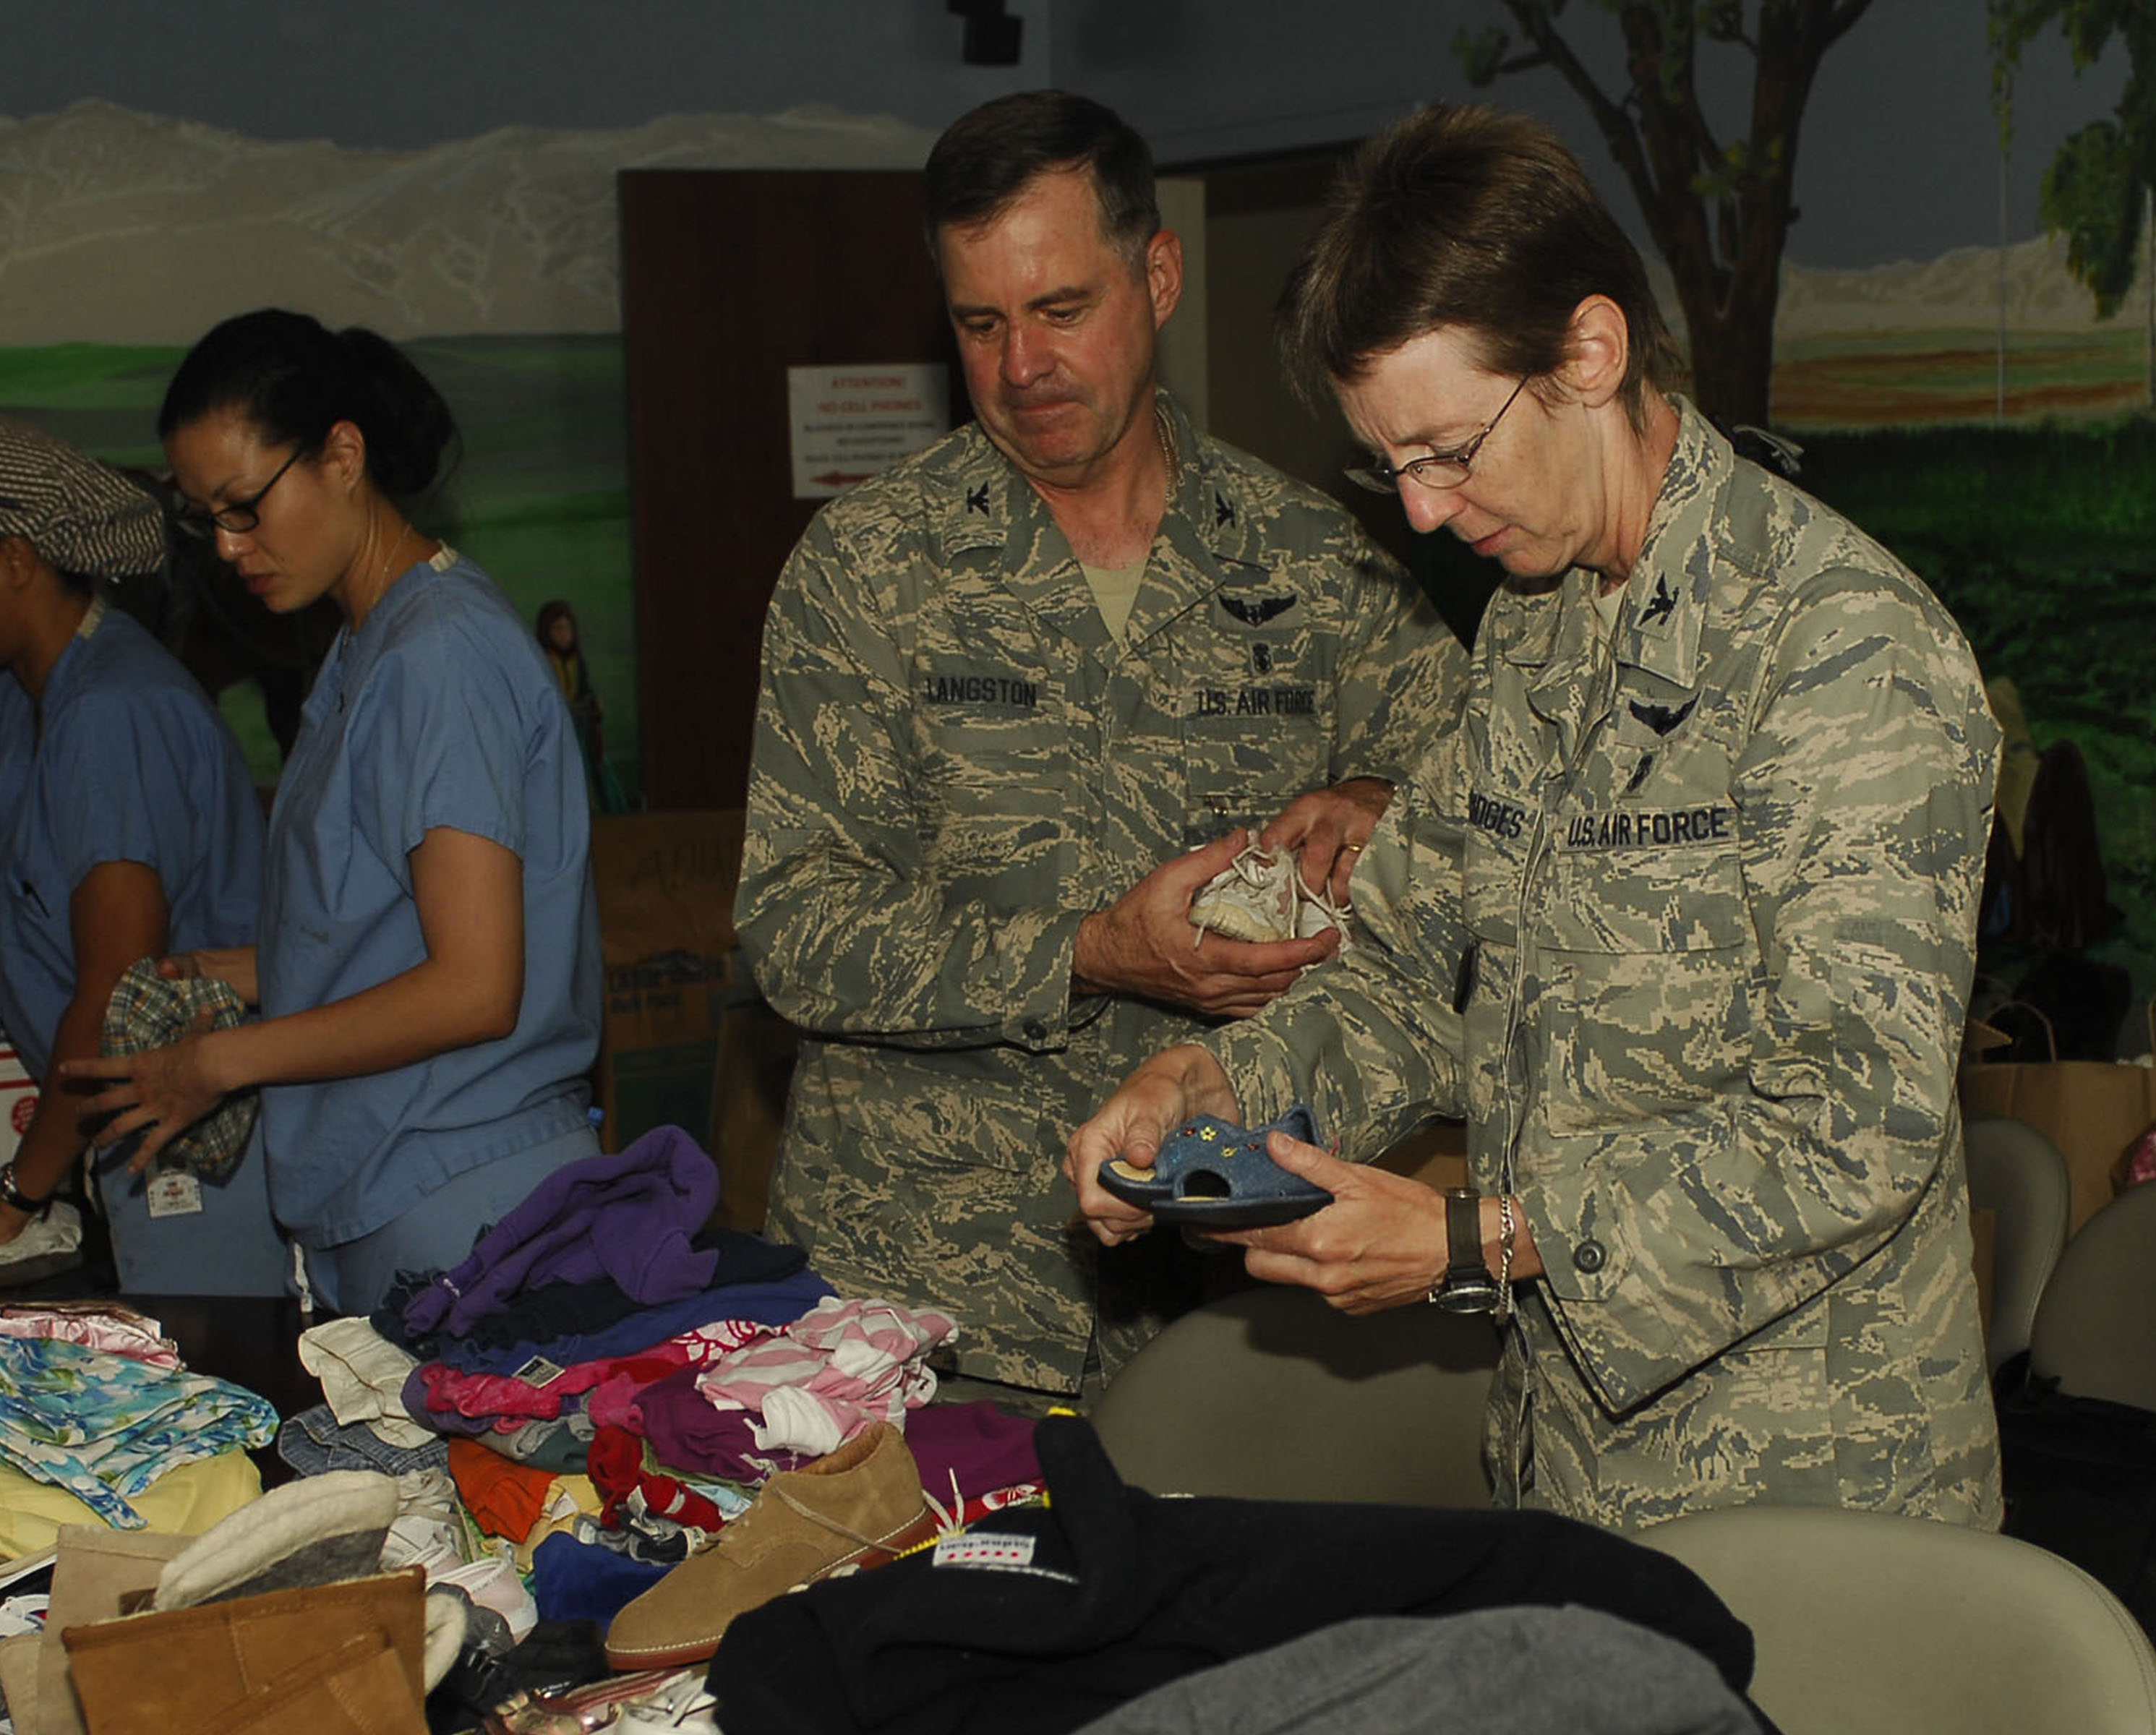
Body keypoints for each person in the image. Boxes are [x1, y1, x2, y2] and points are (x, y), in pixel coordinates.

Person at [1066, 105, 2003, 1530]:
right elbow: (1410, 975)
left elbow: (1854, 1125)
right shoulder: (1534, 634)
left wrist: (1479, 1240)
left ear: (1589, 354)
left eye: (1450, 450)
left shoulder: (1841, 649)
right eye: (1392, 469)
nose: (1427, 516)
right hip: (1563, 1464)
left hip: (1812, 1498)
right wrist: (1218, 1093)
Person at [733, 91, 1468, 1402]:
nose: (1024, 365)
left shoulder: (1317, 562)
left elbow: (1477, 806)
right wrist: (1085, 954)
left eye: (1063, 310)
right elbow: (792, 930)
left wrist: (1373, 794)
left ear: (1159, 274)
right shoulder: (867, 572)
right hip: (927, 1306)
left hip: (1235, 1303)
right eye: (980, 324)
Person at [66, 309, 604, 1315]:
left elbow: (476, 987)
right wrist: (251, 970)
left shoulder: (439, 656)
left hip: (459, 1195)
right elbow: (401, 930)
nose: (228, 548)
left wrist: (218, 1061)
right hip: (393, 1190)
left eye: (244, 508)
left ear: (342, 456)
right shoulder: (367, 645)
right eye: (204, 520)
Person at [0, 416, 287, 1293]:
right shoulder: (32, 700)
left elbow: (114, 986)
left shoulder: (111, 711)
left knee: (217, 1402)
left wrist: (18, 1191)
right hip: (134, 1151)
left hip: (197, 1161)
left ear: (15, 561)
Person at [536, 599, 623, 813]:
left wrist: (591, 705)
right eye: (558, 629)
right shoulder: (543, 662)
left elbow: (585, 691)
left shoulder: (577, 661)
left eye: (568, 629)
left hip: (582, 734)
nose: (564, 635)